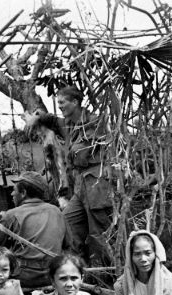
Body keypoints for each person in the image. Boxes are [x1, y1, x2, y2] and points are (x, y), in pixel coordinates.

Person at [28, 86, 113, 266]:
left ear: (75, 102)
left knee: (100, 233)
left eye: (62, 102)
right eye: (57, 103)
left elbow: (89, 153)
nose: (59, 106)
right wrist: (37, 116)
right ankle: (78, 268)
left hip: (97, 184)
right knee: (67, 222)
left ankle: (105, 275)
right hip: (81, 186)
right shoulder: (68, 123)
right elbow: (52, 120)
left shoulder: (95, 122)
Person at [0, 172, 71, 289]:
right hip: (52, 275)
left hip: (24, 277)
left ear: (23, 193)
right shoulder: (57, 212)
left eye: (14, 190)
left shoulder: (11, 215)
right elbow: (68, 246)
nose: (12, 193)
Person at [114, 230, 172, 295]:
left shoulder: (168, 282)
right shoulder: (122, 285)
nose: (143, 259)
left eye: (148, 253)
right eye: (137, 254)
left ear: (155, 254)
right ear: (130, 257)